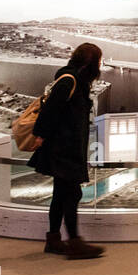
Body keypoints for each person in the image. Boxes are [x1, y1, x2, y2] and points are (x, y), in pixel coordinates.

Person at [28, 43, 105, 259]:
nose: (101, 65)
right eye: (99, 61)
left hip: (66, 147)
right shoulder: (70, 81)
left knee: (61, 194)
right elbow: (50, 112)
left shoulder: (75, 81)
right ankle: (74, 242)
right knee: (72, 193)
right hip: (64, 149)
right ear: (90, 63)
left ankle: (53, 240)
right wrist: (40, 135)